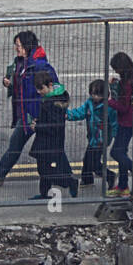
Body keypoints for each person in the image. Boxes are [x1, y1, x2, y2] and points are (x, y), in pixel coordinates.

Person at [0, 30, 58, 186]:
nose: (16, 49)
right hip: (26, 114)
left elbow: (55, 87)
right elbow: (18, 82)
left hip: (37, 115)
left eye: (18, 46)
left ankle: (67, 178)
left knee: (49, 151)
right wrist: (9, 82)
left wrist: (50, 109)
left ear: (27, 46)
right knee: (16, 145)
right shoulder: (21, 62)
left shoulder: (40, 66)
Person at [30, 71, 78, 201]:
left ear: (50, 85)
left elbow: (54, 126)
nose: (39, 92)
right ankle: (44, 193)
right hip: (47, 140)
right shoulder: (52, 99)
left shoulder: (53, 103)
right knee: (43, 168)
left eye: (41, 88)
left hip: (50, 142)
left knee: (47, 170)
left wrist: (38, 126)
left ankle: (69, 182)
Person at [67, 78, 116, 189]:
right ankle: (87, 180)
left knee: (95, 164)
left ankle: (110, 176)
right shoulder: (89, 103)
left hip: (101, 140)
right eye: (93, 94)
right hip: (93, 138)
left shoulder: (108, 107)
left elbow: (114, 123)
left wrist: (115, 136)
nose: (95, 97)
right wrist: (68, 115)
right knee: (87, 159)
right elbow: (80, 112)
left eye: (97, 94)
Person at [107, 51, 133, 197]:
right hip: (127, 121)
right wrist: (114, 86)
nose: (115, 71)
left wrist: (109, 101)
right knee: (121, 153)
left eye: (116, 69)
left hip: (126, 122)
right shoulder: (129, 80)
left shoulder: (127, 84)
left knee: (115, 152)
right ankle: (123, 186)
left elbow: (123, 107)